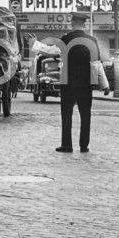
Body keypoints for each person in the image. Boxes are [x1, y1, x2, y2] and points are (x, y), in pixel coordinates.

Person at [37, 11, 99, 153]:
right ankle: (84, 145)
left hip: (69, 81)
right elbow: (96, 62)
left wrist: (35, 44)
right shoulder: (92, 40)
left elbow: (51, 52)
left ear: (72, 23)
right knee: (85, 114)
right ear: (84, 24)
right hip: (86, 82)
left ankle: (67, 144)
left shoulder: (67, 38)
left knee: (66, 113)